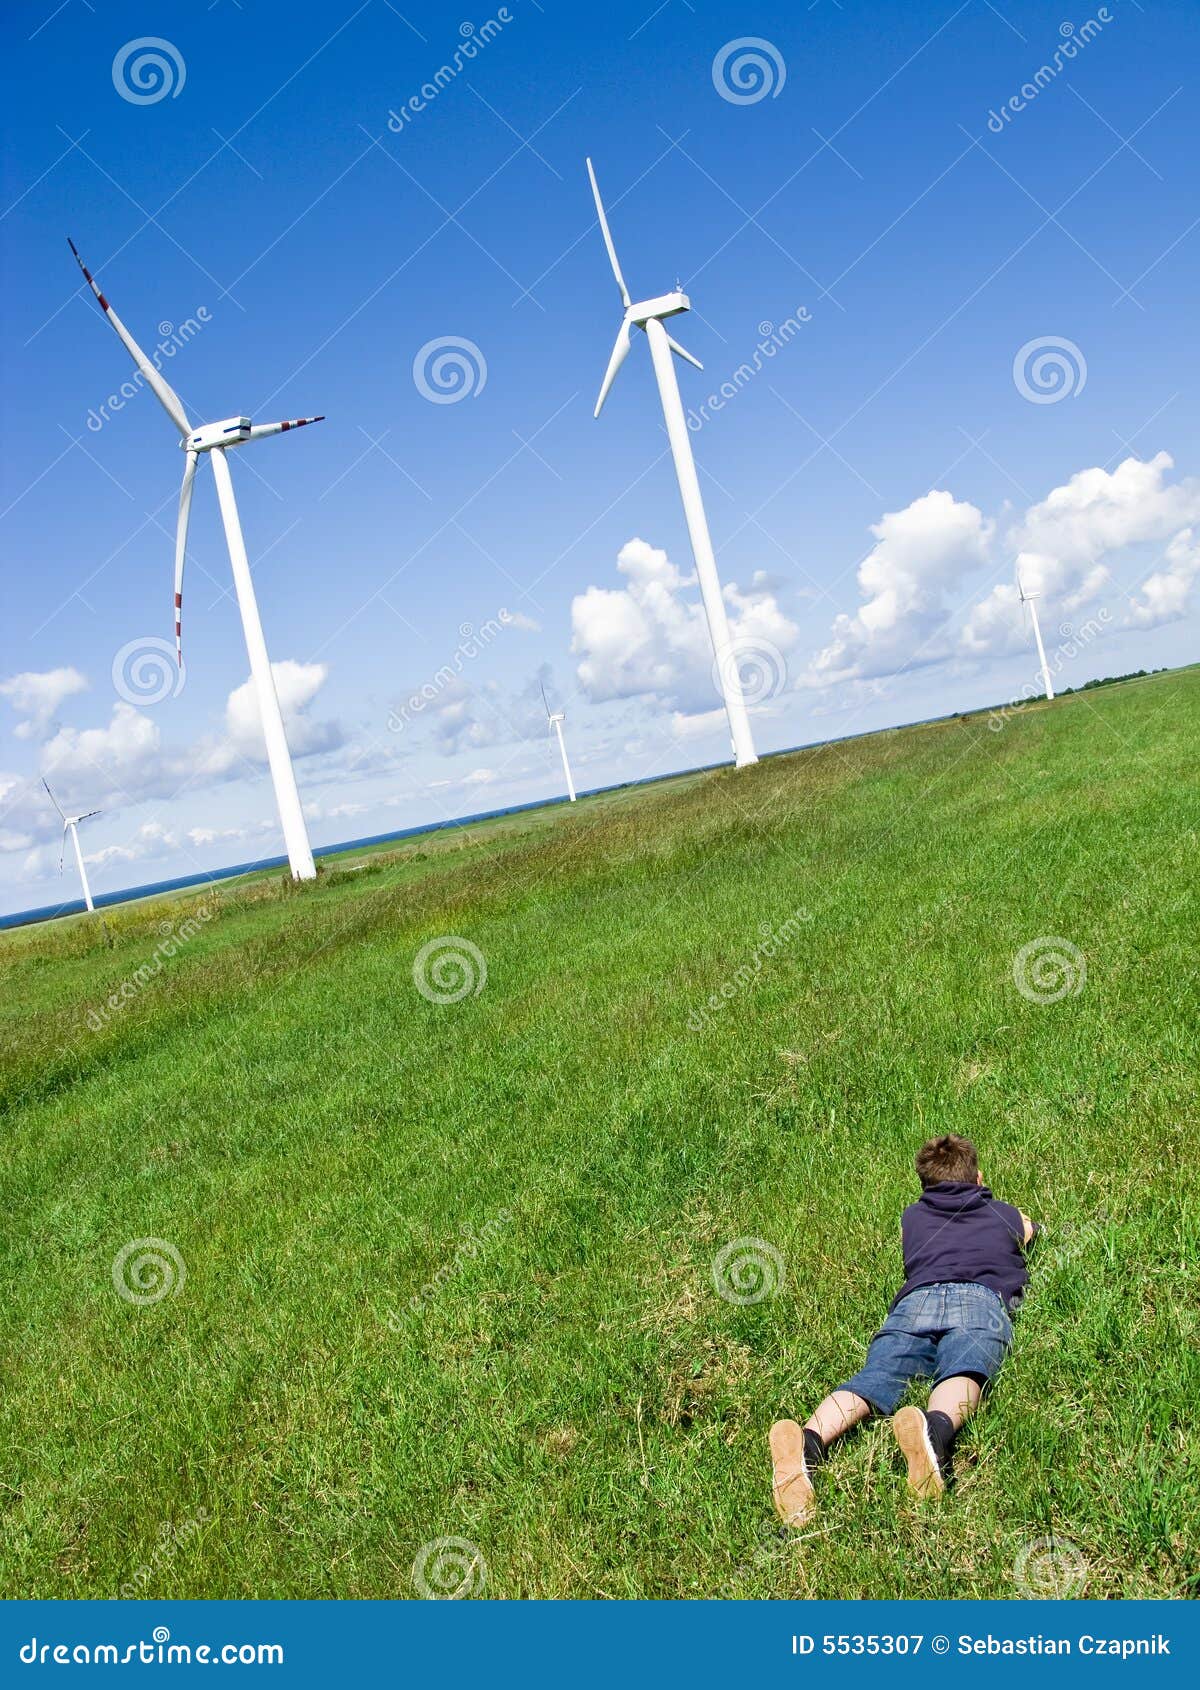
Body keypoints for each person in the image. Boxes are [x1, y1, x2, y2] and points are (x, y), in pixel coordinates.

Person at [769, 1133, 1037, 1524]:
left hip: (916, 1302)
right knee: (964, 1365)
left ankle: (809, 1441)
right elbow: (1028, 1231)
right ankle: (935, 1432)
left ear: (925, 1186)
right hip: (978, 1297)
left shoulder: (913, 1216)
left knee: (875, 1375)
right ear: (979, 1178)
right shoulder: (1002, 1212)